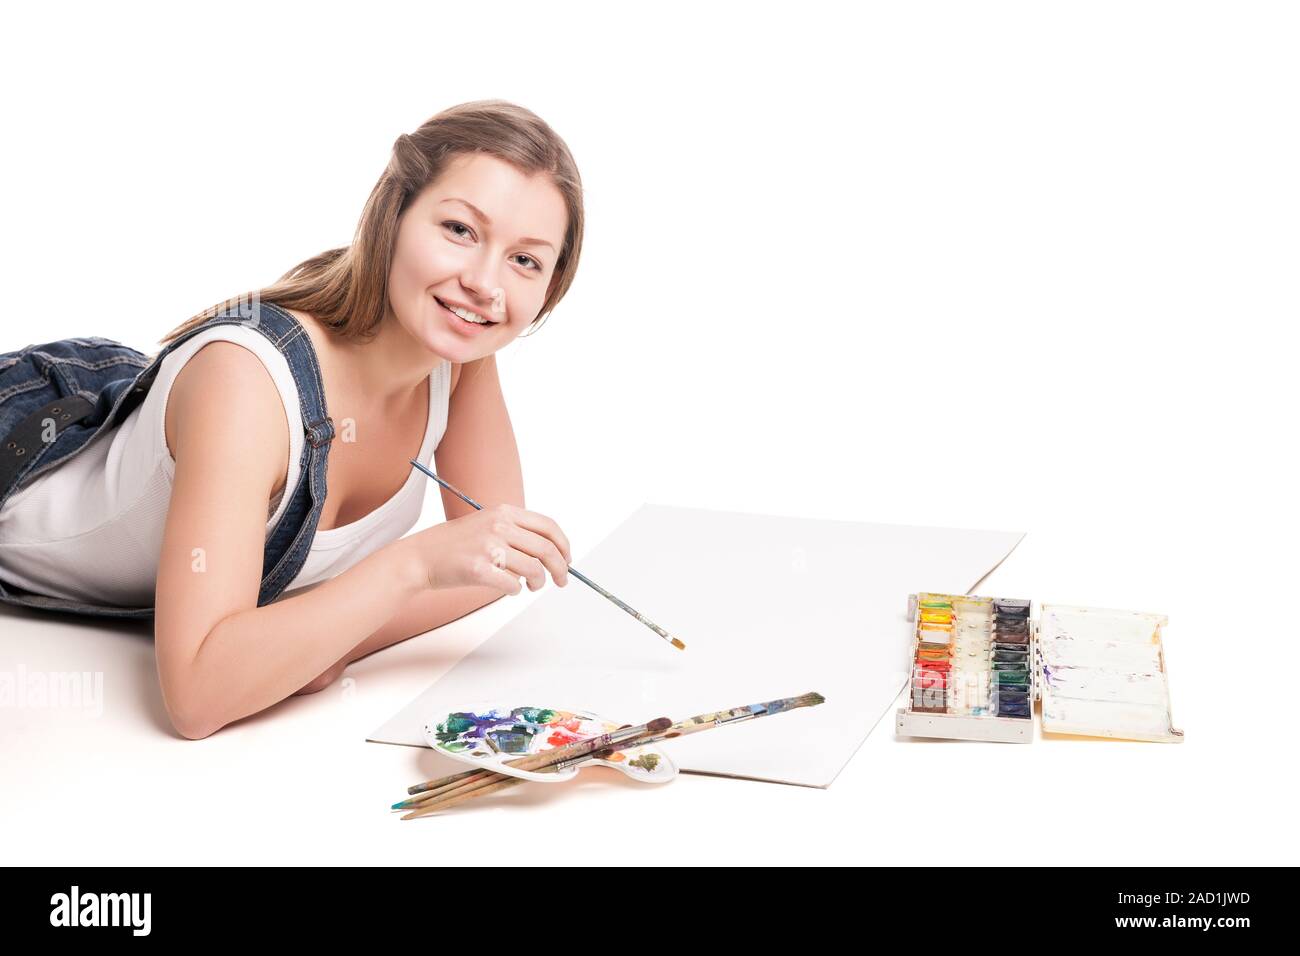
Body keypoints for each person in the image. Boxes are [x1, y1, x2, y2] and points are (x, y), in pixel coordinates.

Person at [0, 99, 583, 739]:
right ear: (394, 215)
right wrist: (408, 569)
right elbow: (196, 697)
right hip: (25, 440)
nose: (484, 283)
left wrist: (330, 639)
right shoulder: (246, 383)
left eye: (525, 260)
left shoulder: (459, 352)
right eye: (460, 230)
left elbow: (495, 563)